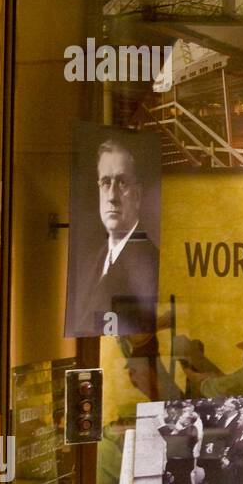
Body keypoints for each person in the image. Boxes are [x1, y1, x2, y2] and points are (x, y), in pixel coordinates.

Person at [67, 138, 159, 337]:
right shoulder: (91, 261)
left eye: (122, 183)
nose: (111, 196)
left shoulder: (151, 263)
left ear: (137, 195)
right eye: (105, 182)